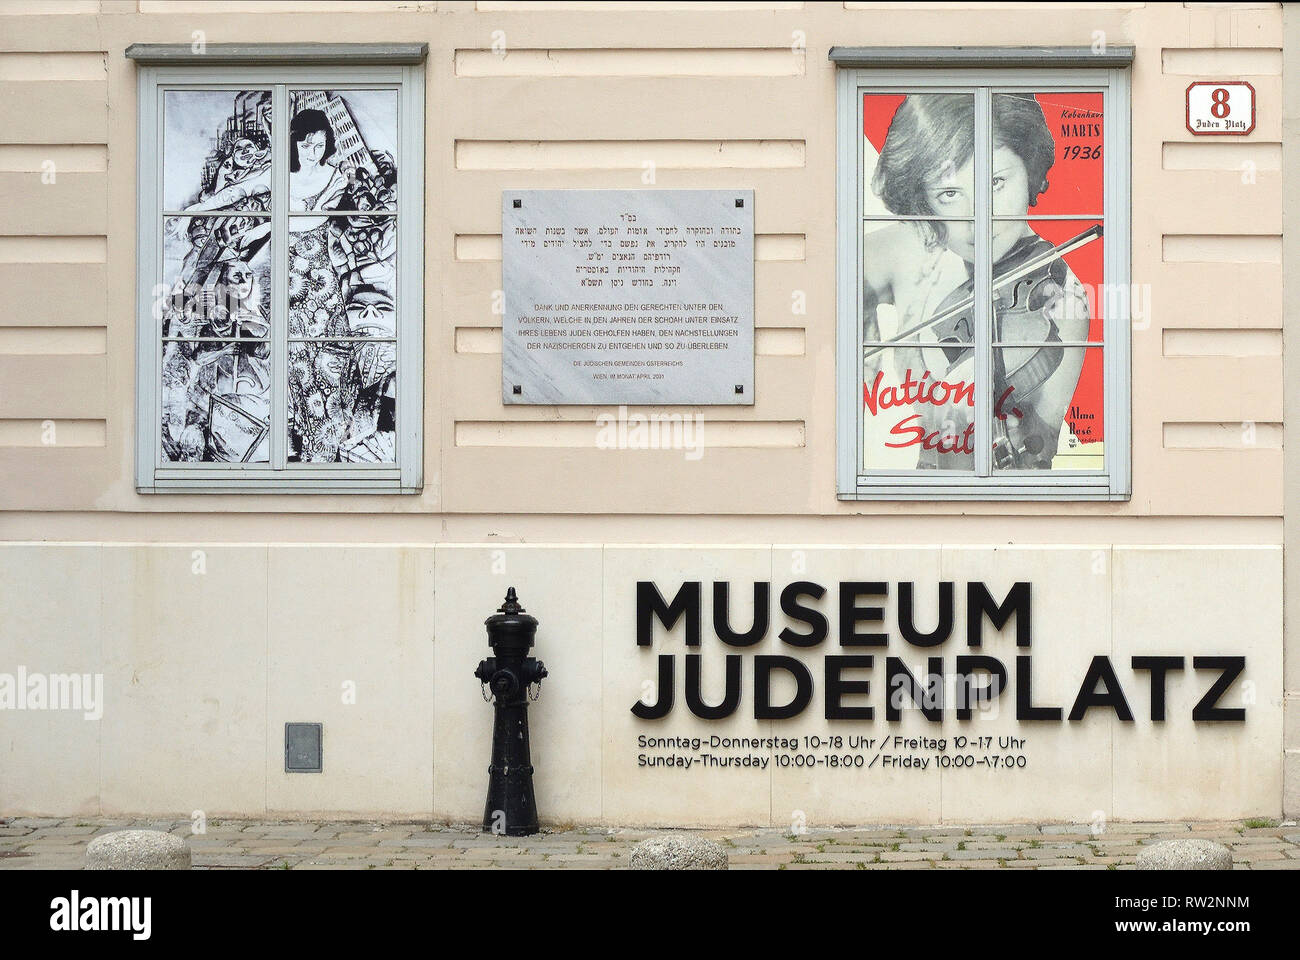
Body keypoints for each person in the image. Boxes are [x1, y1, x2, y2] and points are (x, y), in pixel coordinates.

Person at [863, 93, 1090, 470]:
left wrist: (980, 424)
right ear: (923, 201)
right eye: (950, 194)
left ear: (1028, 168)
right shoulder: (907, 246)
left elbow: (1035, 457)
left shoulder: (1064, 303)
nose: (977, 220)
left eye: (996, 182)